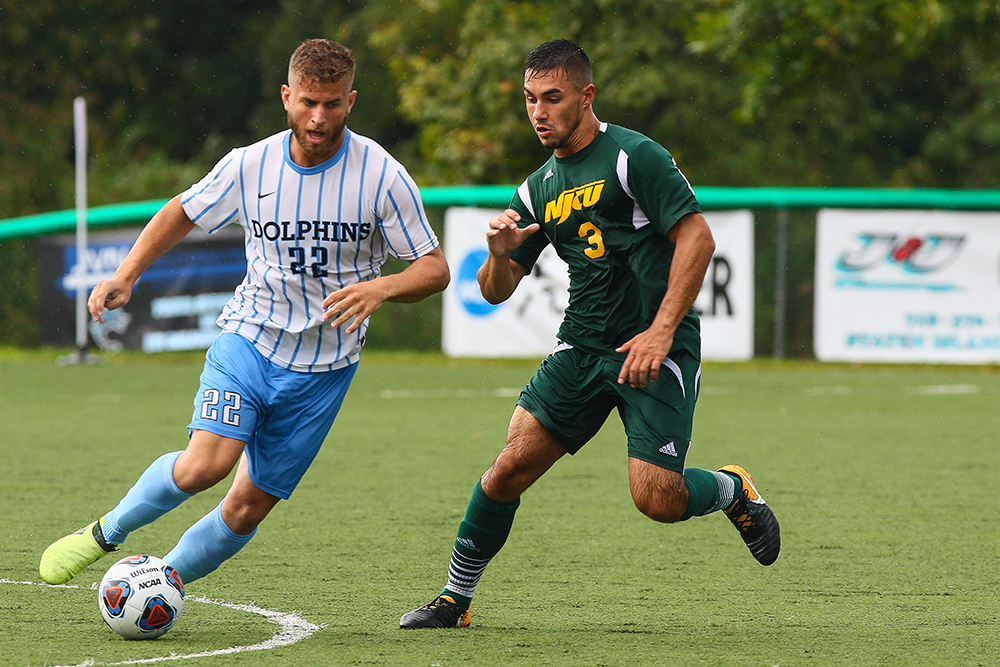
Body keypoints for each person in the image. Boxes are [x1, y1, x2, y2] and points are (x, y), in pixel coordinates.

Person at [39, 38, 450, 587]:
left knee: (245, 508)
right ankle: (105, 533)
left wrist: (382, 288)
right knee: (204, 466)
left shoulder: (382, 175)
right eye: (307, 102)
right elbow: (181, 212)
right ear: (287, 97)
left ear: (351, 101)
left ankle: (161, 583)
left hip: (325, 370)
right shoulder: (251, 164)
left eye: (331, 104)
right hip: (250, 341)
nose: (318, 117)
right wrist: (126, 274)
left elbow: (434, 268)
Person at [399, 39, 779, 629]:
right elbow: (494, 290)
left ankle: (732, 491)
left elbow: (698, 239)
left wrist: (661, 330)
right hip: (583, 348)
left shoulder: (633, 156)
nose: (538, 112)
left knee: (657, 499)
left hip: (656, 348)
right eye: (530, 99)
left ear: (586, 95)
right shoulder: (537, 188)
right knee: (508, 468)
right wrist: (498, 255)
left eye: (552, 98)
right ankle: (456, 598)